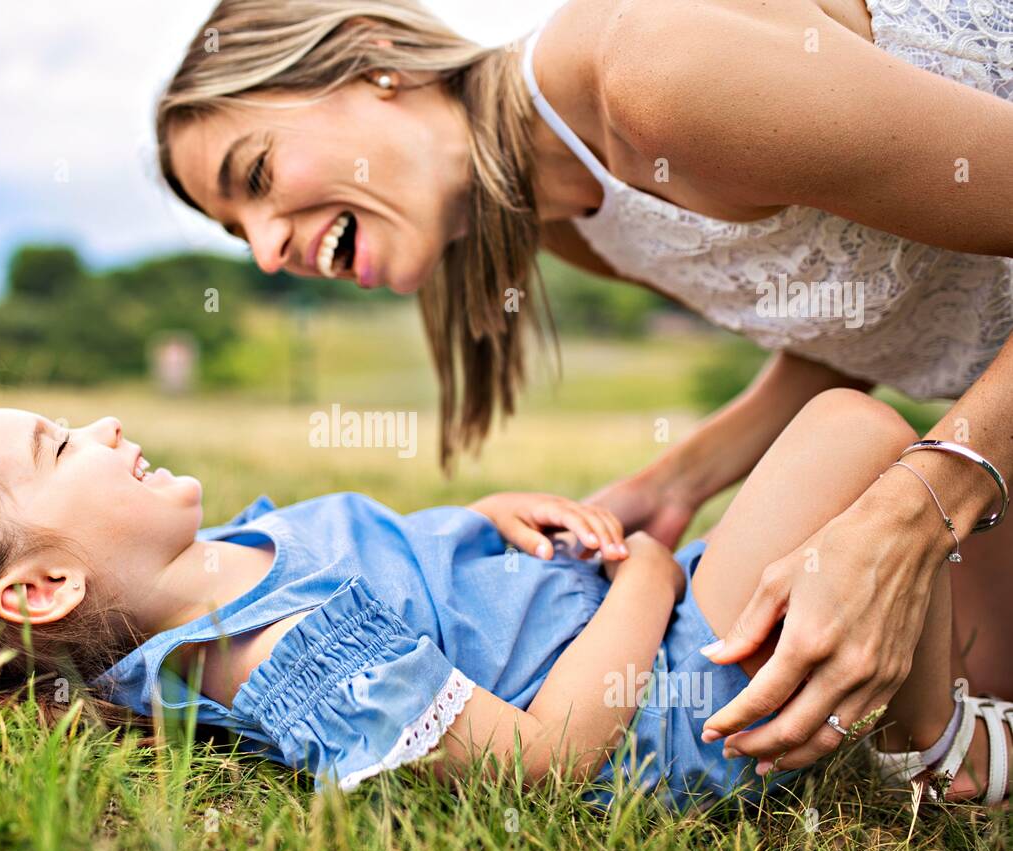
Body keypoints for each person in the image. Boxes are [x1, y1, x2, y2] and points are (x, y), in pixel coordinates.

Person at [153, 0, 1013, 777]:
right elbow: (870, 314)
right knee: (967, 710)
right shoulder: (568, 221)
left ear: (374, 61)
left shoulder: (658, 81)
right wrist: (668, 487)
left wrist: (915, 512)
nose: (264, 253)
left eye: (257, 175)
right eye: (239, 232)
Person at [0, 391, 1013, 807]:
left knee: (857, 449)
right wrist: (649, 570)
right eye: (57, 449)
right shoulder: (264, 651)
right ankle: (932, 748)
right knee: (853, 429)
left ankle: (920, 710)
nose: (103, 423)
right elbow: (542, 759)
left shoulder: (231, 556)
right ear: (43, 584)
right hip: (667, 710)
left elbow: (381, 556)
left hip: (623, 629)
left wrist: (486, 522)